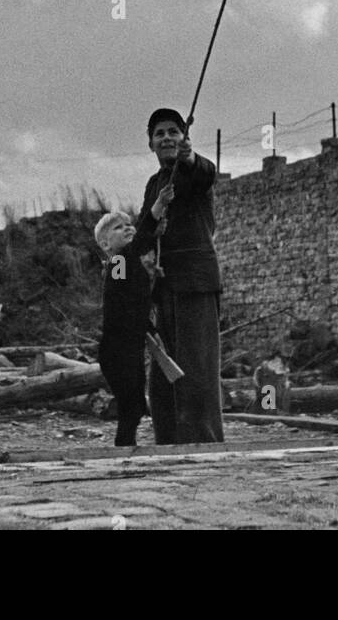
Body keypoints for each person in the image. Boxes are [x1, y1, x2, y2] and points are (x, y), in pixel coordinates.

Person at [135, 107, 224, 444]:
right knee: (163, 378)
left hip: (196, 284)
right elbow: (143, 233)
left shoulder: (194, 171)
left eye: (174, 131)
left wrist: (190, 157)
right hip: (164, 288)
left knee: (198, 374)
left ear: (184, 139)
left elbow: (206, 172)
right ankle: (169, 443)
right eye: (160, 134)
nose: (167, 137)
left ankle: (203, 444)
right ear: (151, 145)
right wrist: (156, 212)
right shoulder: (153, 185)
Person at [94, 210, 153, 447]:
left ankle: (127, 445)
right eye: (119, 227)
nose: (128, 228)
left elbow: (135, 296)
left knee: (136, 405)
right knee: (130, 404)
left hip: (130, 347)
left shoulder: (130, 262)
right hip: (117, 351)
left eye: (130, 224)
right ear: (106, 244)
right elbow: (121, 295)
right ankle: (123, 447)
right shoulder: (118, 262)